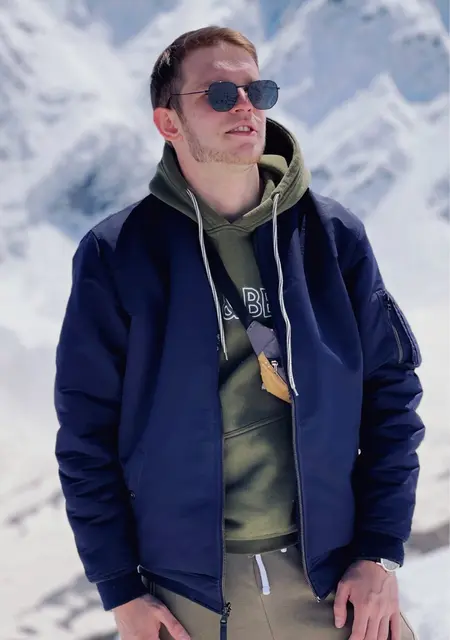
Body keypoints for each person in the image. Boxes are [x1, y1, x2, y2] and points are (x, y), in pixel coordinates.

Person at [54, 26, 424, 640]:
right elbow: (85, 435)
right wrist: (121, 591)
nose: (245, 106)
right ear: (168, 122)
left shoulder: (333, 238)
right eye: (220, 94)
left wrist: (379, 553)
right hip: (191, 599)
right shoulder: (116, 255)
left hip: (335, 584)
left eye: (259, 91)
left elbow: (392, 399)